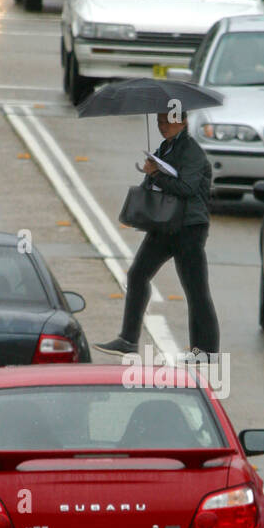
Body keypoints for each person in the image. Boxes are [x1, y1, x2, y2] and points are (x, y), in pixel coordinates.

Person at [96, 110, 220, 360]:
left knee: (195, 289)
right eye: (160, 121)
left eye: (168, 121)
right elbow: (161, 183)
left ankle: (206, 351)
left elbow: (187, 188)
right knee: (138, 274)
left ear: (183, 121)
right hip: (164, 226)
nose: (163, 126)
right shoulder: (166, 147)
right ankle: (128, 339)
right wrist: (150, 175)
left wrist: (156, 174)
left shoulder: (192, 151)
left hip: (188, 229)